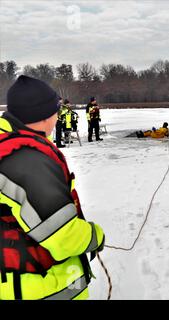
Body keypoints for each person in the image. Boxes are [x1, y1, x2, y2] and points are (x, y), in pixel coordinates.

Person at [0, 75, 105, 300]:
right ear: (42, 115)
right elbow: (62, 235)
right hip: (36, 286)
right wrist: (95, 236)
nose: (57, 116)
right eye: (55, 111)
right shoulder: (26, 159)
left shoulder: (8, 143)